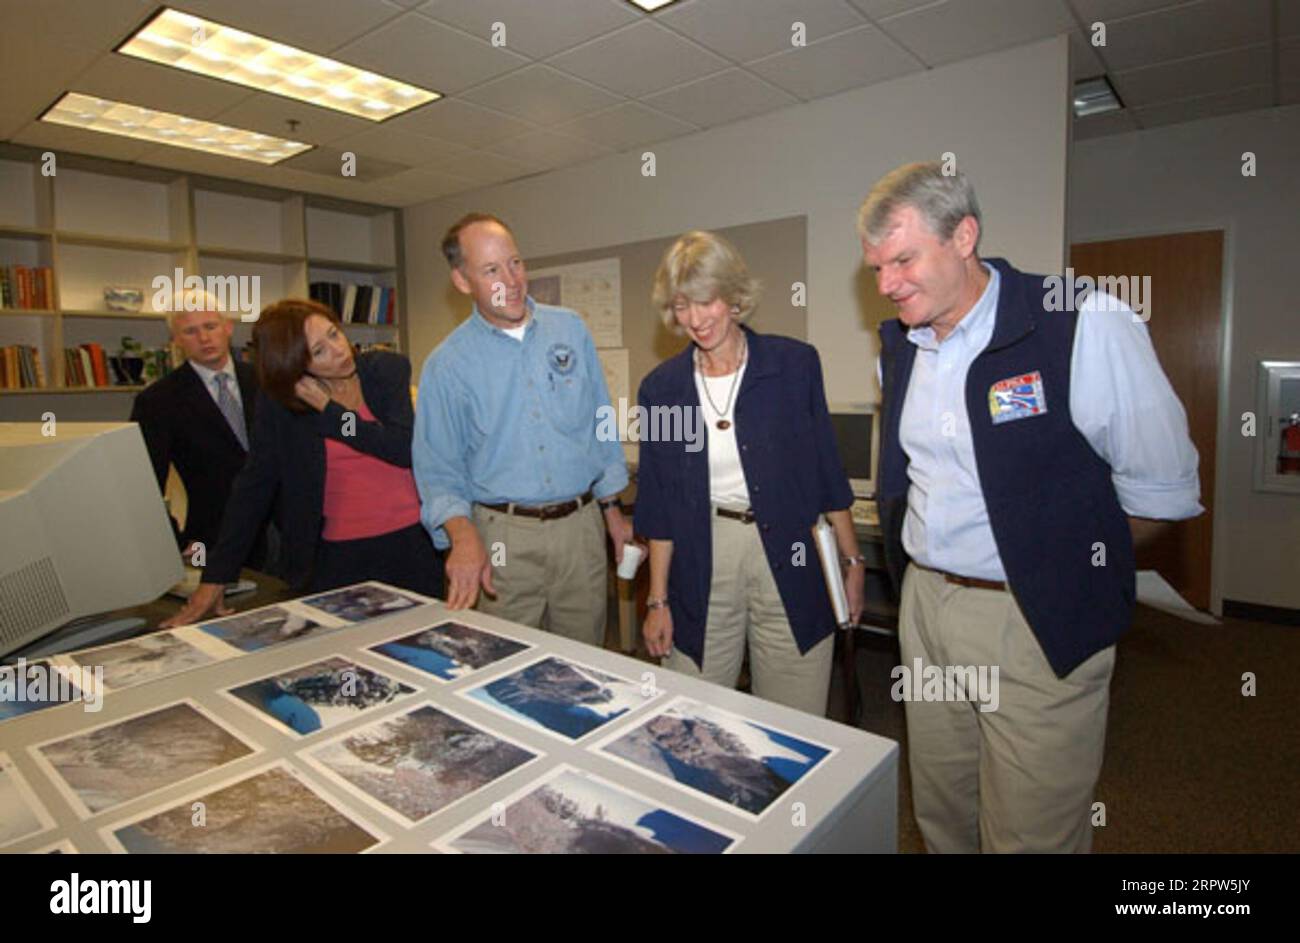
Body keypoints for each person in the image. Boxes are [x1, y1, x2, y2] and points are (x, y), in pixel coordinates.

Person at [861, 161, 1201, 853]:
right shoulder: (900, 345)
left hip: (1031, 614)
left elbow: (1160, 490)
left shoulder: (1081, 322)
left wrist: (1064, 561)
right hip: (926, 608)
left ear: (964, 236)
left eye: (902, 259)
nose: (887, 284)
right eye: (874, 268)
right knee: (942, 812)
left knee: (1031, 834)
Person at [635, 230, 865, 716]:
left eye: (705, 301)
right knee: (691, 712)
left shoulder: (793, 366)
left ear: (734, 297)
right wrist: (657, 602)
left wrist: (852, 563)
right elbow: (658, 506)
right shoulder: (662, 389)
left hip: (791, 547)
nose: (695, 319)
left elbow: (828, 472)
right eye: (681, 306)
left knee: (794, 714)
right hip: (702, 554)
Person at [413, 212, 631, 647]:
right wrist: (463, 536)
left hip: (580, 529)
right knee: (506, 665)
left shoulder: (569, 328)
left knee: (586, 663)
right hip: (502, 537)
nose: (510, 280)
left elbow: (599, 423)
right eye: (491, 270)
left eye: (515, 263)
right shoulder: (448, 364)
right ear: (462, 281)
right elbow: (439, 472)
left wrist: (613, 512)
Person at [162, 299, 443, 627]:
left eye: (334, 334)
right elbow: (255, 485)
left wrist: (330, 411)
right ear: (294, 364)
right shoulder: (281, 400)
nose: (340, 350)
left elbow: (401, 448)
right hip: (335, 556)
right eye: (319, 351)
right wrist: (217, 575)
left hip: (411, 547)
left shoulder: (384, 369)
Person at [130, 290, 267, 567]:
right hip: (215, 537)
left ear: (228, 327)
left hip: (284, 531)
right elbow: (139, 485)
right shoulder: (157, 401)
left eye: (210, 326)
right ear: (176, 340)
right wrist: (176, 540)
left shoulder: (267, 380)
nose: (204, 338)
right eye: (190, 331)